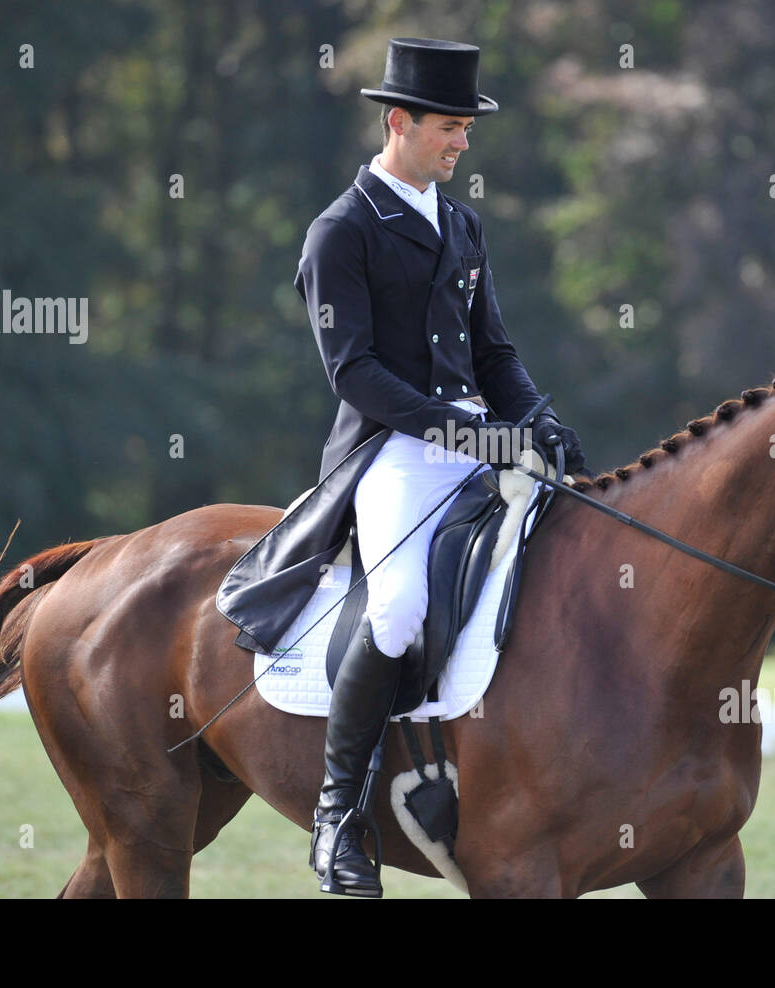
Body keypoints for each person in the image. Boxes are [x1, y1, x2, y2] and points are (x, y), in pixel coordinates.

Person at [293, 37, 585, 896]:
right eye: (450, 129)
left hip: (477, 446)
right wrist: (467, 438)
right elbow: (354, 374)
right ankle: (338, 817)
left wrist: (536, 418)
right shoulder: (341, 232)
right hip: (393, 453)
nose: (462, 144)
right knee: (399, 610)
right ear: (400, 122)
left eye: (467, 129)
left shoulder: (462, 225)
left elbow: (494, 352)